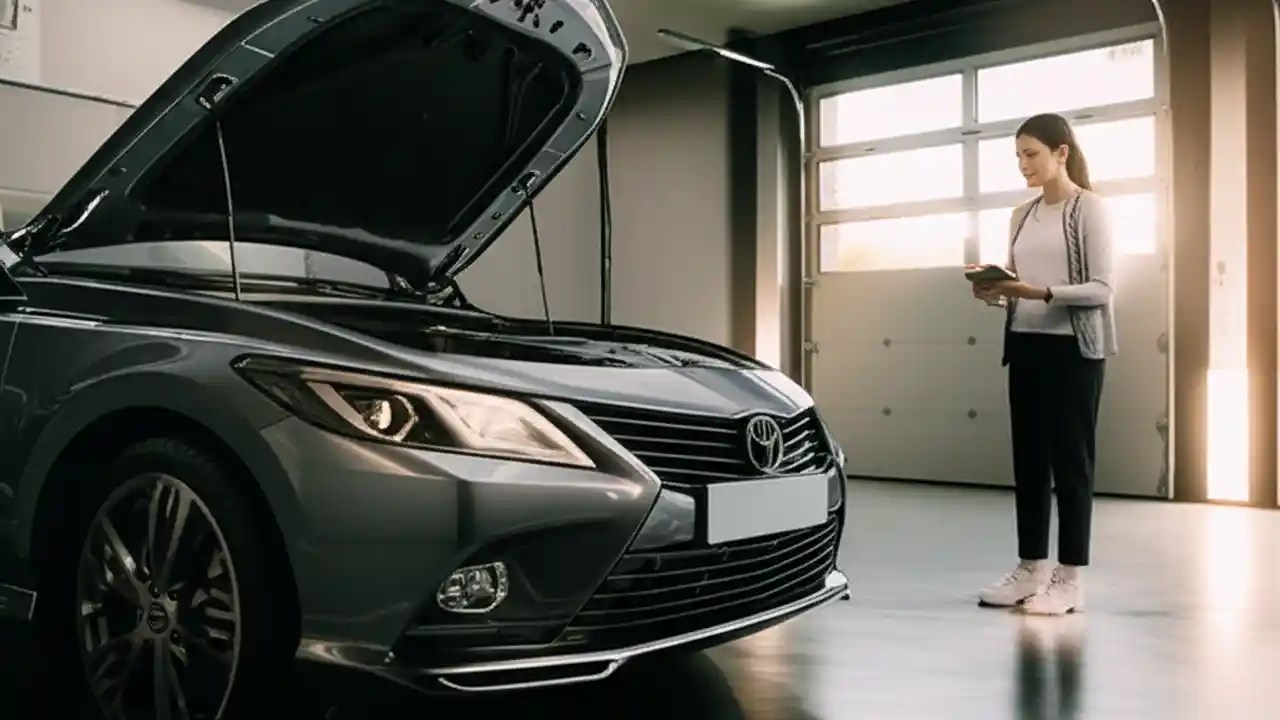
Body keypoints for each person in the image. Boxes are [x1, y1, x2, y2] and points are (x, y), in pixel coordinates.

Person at [969, 112, 1116, 616]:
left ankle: (1069, 578)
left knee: (1071, 464)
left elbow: (1101, 289)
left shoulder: (1089, 209)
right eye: (1017, 156)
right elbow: (1018, 287)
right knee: (1029, 464)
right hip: (1027, 346)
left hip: (1074, 352)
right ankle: (1030, 569)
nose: (1023, 165)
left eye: (1031, 154)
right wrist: (997, 292)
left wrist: (1036, 291)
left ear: (1061, 153)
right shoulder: (1021, 215)